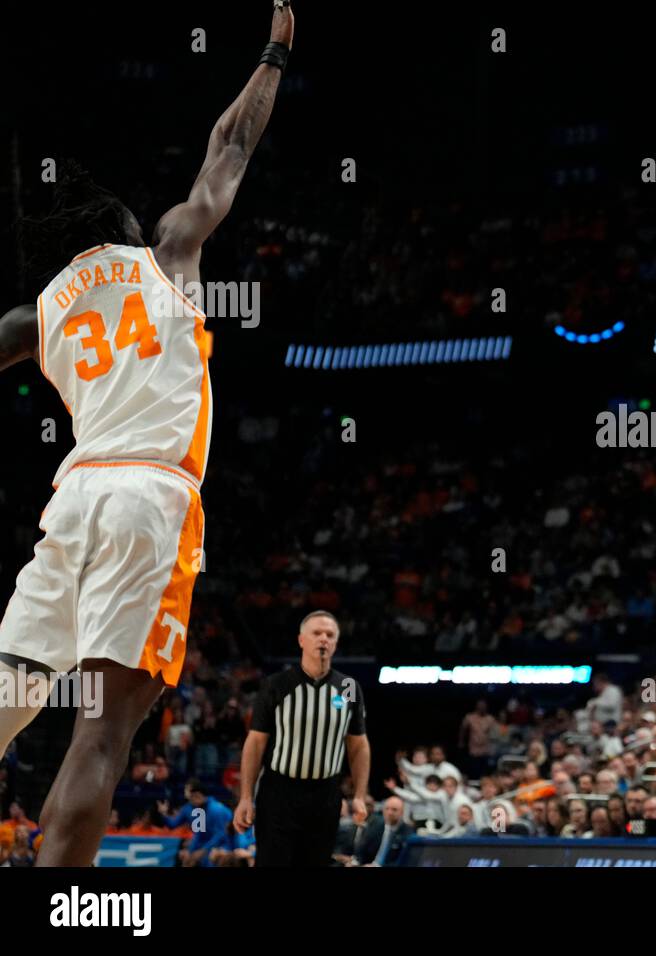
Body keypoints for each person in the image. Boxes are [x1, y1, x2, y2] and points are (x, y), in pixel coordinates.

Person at [0, 1, 293, 867]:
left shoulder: (39, 312)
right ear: (128, 233)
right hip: (149, 497)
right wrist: (274, 56)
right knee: (104, 727)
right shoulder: (166, 255)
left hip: (74, 499)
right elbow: (229, 152)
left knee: (11, 691)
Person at [234, 610, 371, 867]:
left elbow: (358, 745)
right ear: (301, 640)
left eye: (330, 635)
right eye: (316, 633)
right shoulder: (276, 684)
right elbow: (255, 744)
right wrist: (245, 797)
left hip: (326, 794)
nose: (323, 639)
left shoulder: (349, 688)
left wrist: (360, 795)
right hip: (279, 792)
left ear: (336, 643)